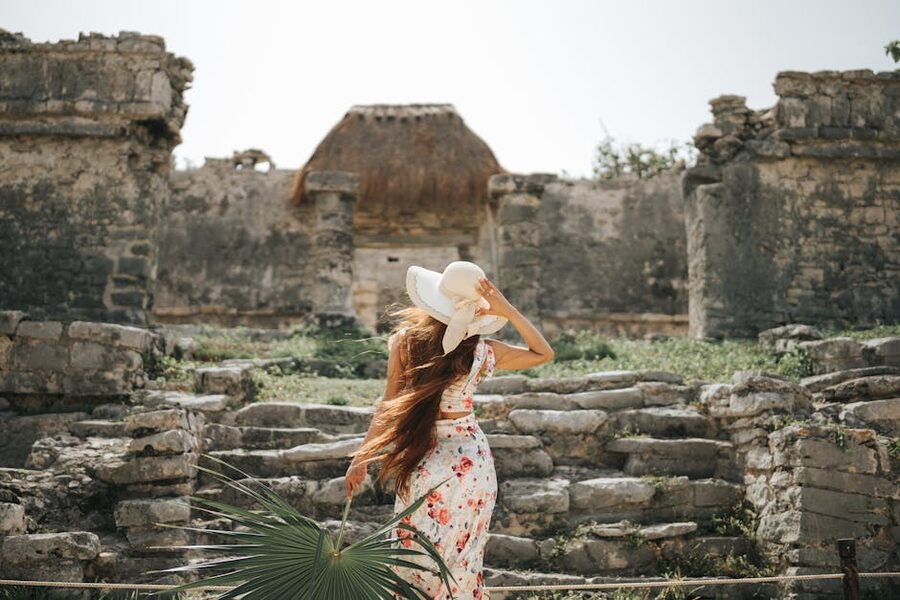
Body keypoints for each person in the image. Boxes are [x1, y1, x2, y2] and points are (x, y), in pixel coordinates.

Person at [345, 261, 554, 599]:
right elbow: (543, 352)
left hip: (425, 458)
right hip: (471, 463)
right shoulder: (483, 351)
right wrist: (509, 310)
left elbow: (388, 406)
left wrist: (361, 458)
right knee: (463, 559)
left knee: (414, 554)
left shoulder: (406, 343)